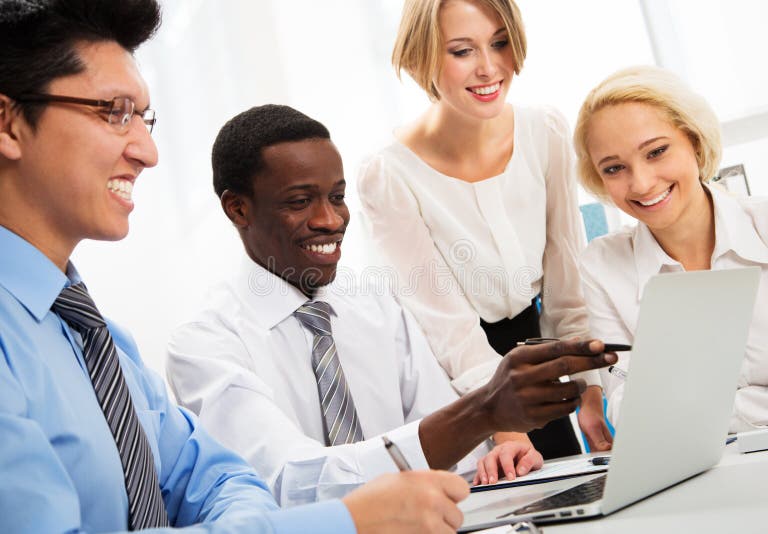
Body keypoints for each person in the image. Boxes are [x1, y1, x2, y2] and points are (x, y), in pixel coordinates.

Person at [0, 1, 474, 532]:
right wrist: (349, 522)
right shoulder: (188, 338)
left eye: (143, 117)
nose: (148, 151)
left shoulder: (105, 344)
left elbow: (229, 482)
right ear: (9, 123)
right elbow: (278, 484)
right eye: (115, 111)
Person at [166, 103, 618, 502]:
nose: (330, 220)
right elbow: (290, 484)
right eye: (301, 201)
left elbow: (452, 454)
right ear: (238, 209)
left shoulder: (377, 306)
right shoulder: (204, 346)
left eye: (338, 197)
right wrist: (482, 410)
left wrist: (497, 452)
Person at [357, 0, 611, 459]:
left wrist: (589, 391)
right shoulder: (389, 175)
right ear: (422, 57)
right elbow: (445, 323)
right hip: (462, 391)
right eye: (462, 51)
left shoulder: (545, 131)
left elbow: (565, 284)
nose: (490, 68)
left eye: (499, 43)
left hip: (540, 362)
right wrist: (504, 424)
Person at [574, 65, 768, 433]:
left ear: (694, 141)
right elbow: (629, 410)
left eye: (656, 152)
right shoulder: (602, 266)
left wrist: (707, 415)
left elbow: (659, 416)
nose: (642, 183)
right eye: (614, 168)